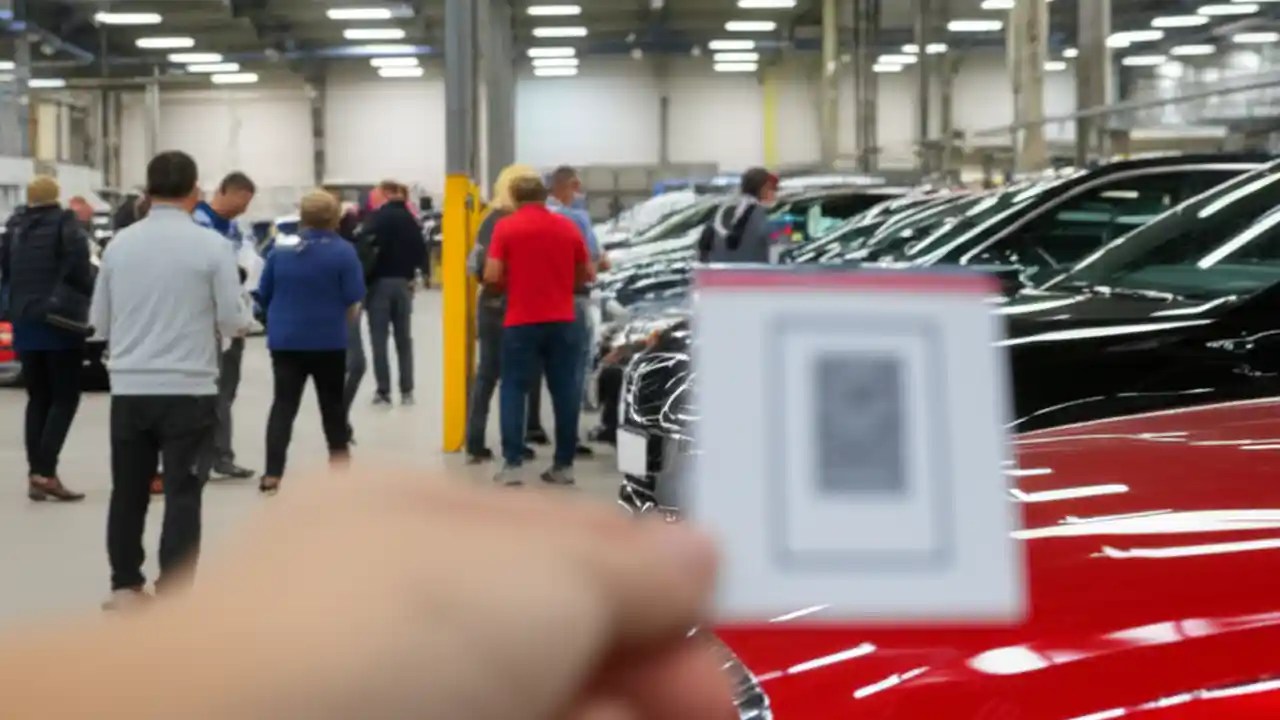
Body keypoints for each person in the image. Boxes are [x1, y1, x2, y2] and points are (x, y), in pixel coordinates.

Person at [0, 474, 729, 720]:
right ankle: (175, 575)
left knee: (134, 488)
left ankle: (131, 578)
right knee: (184, 485)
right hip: (198, 376)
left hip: (137, 380)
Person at [90, 150, 249, 607]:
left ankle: (125, 585)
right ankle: (175, 593)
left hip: (130, 388)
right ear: (195, 192)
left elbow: (98, 321)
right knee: (183, 493)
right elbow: (232, 319)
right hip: (190, 387)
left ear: (147, 191)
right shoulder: (212, 247)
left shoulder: (118, 245)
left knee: (129, 491)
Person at [485, 175, 593, 486]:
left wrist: (509, 284)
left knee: (514, 389)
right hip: (563, 319)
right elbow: (586, 273)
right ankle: (563, 465)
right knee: (565, 391)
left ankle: (513, 465)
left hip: (521, 320)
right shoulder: (567, 226)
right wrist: (563, 287)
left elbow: (492, 273)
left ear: (515, 198)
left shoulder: (506, 227)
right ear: (545, 197)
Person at [256, 190, 365, 494]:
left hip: (286, 341)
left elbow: (263, 294)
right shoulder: (344, 252)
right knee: (332, 405)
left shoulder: (281, 251)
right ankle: (340, 466)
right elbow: (353, 297)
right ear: (334, 218)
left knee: (283, 405)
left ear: (303, 216)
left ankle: (272, 474)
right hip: (328, 340)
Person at [0, 176, 94, 502]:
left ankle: (35, 473)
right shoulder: (66, 227)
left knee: (38, 398)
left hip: (25, 323)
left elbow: (6, 275)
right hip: (60, 323)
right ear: (56, 197)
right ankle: (46, 472)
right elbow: (82, 273)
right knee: (65, 398)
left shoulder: (14, 230)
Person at [465, 164, 541, 464]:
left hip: (492, 304)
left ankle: (475, 440)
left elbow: (475, 266)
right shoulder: (516, 222)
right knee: (517, 377)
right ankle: (515, 442)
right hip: (519, 304)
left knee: (487, 375)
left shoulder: (488, 219)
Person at [193, 171, 258, 481]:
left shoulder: (235, 229)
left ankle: (220, 454)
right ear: (223, 191)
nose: (242, 210)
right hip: (206, 320)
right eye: (239, 202)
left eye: (247, 205)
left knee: (227, 391)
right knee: (210, 391)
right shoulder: (197, 223)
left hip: (234, 317)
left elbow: (248, 268)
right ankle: (210, 455)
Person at [365, 179, 426, 406]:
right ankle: (407, 391)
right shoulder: (411, 220)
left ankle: (383, 391)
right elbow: (421, 251)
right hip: (404, 284)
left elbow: (363, 247)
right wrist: (413, 276)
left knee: (379, 340)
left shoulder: (377, 219)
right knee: (404, 340)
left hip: (379, 285)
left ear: (386, 194)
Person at [697, 167, 779, 264]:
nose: (775, 193)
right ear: (763, 189)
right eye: (772, 189)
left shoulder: (722, 210)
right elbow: (774, 252)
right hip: (754, 275)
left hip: (718, 274)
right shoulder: (761, 215)